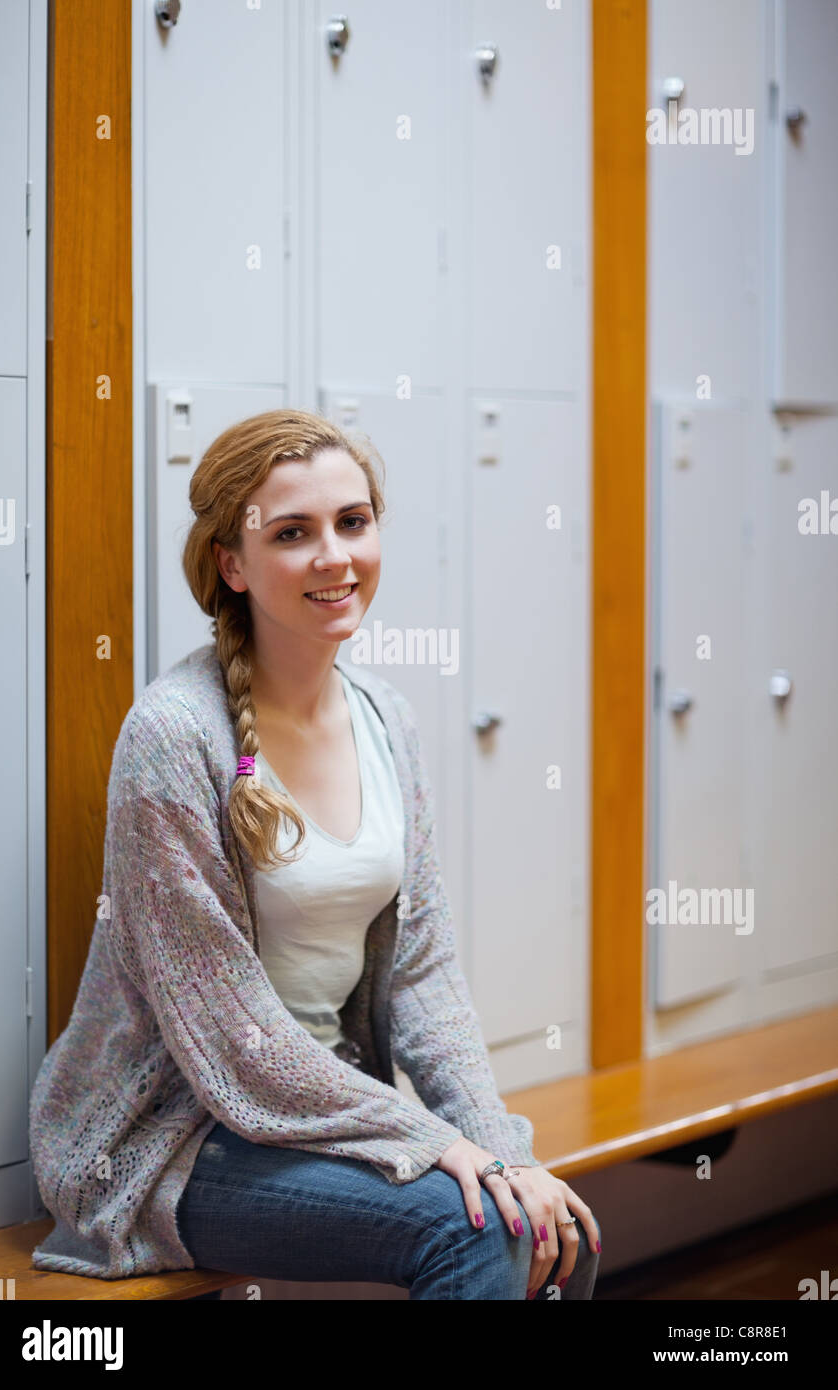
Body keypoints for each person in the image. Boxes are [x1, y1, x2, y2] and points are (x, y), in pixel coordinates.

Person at [29, 408, 601, 1299]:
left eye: (353, 522)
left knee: (546, 1224)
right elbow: (236, 1044)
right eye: (292, 533)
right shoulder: (175, 738)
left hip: (324, 1115)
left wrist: (499, 1147)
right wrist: (435, 1144)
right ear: (232, 562)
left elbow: (424, 973)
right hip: (173, 1139)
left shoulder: (386, 718)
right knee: (480, 1235)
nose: (334, 556)